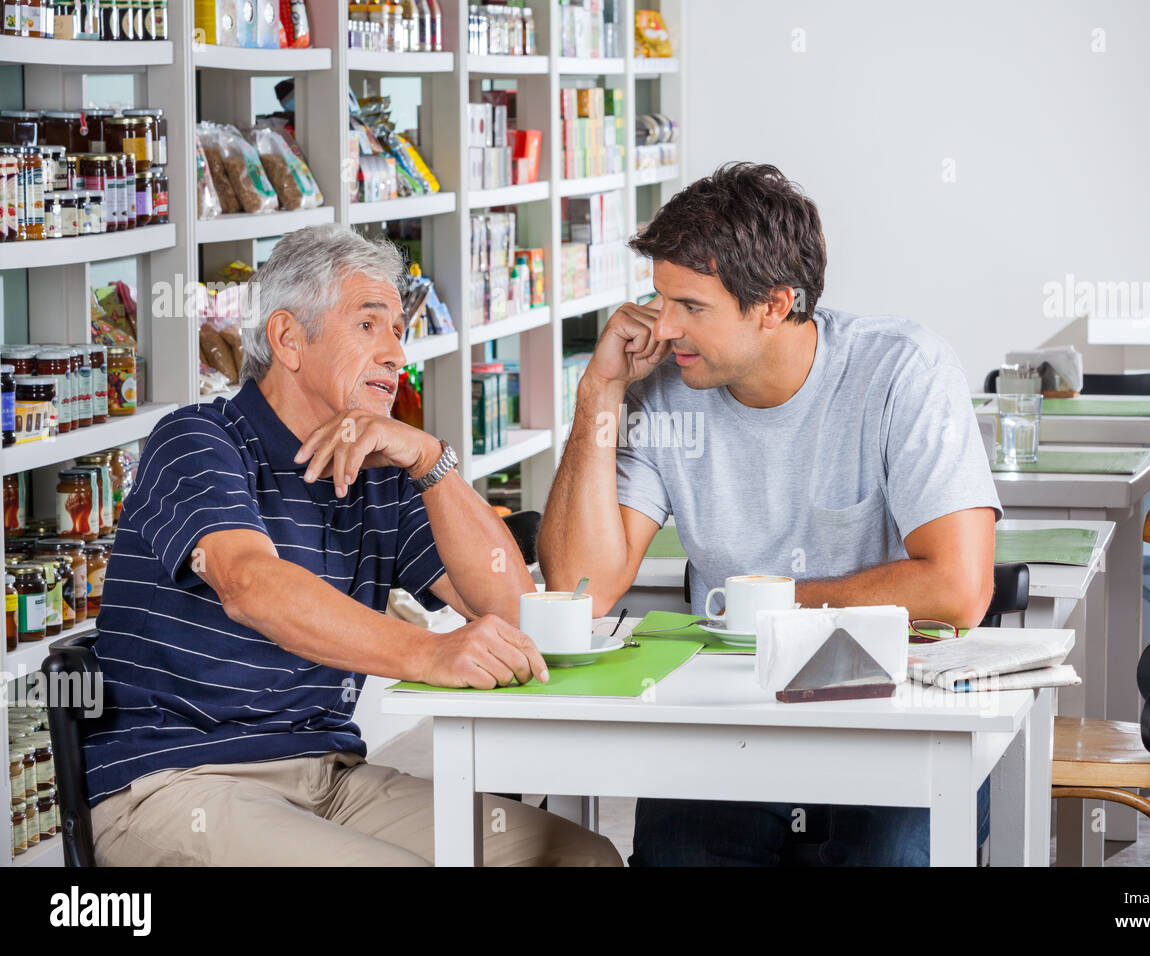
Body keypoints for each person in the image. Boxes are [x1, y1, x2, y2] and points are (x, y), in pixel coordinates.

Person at [86, 224, 621, 867]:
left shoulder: (383, 472)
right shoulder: (198, 441)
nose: (396, 351)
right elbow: (251, 587)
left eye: (400, 328)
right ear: (288, 338)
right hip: (179, 780)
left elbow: (513, 606)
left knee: (577, 858)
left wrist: (430, 459)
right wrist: (430, 652)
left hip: (330, 778)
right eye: (370, 325)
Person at [538, 162, 1002, 866]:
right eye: (658, 299)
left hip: (890, 730)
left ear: (776, 304)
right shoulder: (662, 389)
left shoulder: (903, 371)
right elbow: (580, 587)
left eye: (691, 306)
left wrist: (762, 609)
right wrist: (598, 394)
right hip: (725, 730)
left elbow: (958, 590)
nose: (662, 327)